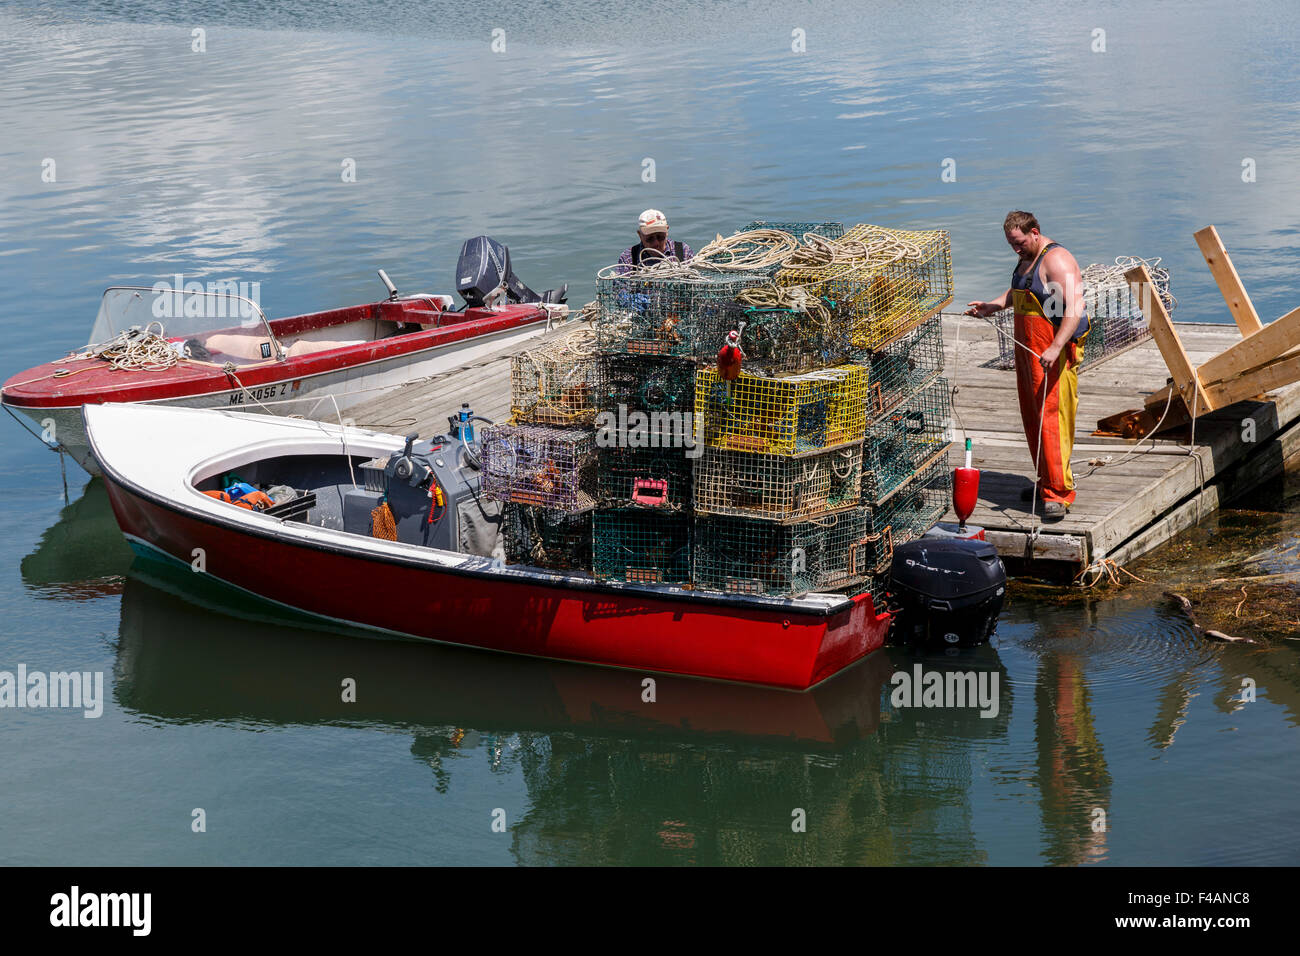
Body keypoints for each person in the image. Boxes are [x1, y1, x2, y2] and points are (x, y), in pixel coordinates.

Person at [965, 211, 1089, 518]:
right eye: (1011, 245)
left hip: (1053, 351)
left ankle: (1059, 493)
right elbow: (1021, 290)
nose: (1016, 250)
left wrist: (1056, 347)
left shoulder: (1057, 260)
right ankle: (1046, 480)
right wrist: (992, 306)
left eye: (1019, 243)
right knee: (1033, 417)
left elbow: (1074, 308)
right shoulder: (1026, 258)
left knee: (1051, 418)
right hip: (1029, 351)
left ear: (1035, 232)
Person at [618, 209, 693, 270]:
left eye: (660, 237)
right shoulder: (628, 258)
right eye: (649, 239)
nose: (656, 243)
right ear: (640, 235)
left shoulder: (683, 251)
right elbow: (620, 287)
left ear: (667, 231)